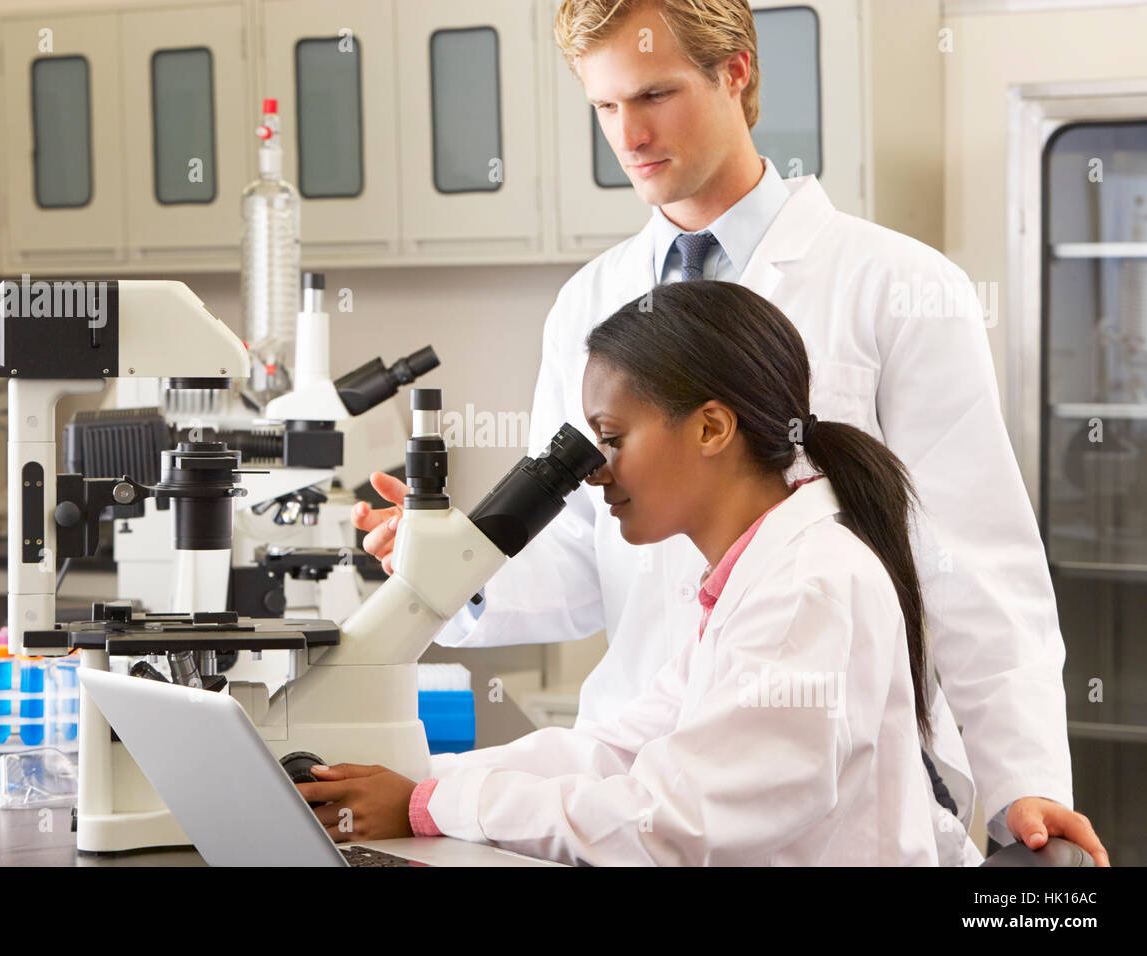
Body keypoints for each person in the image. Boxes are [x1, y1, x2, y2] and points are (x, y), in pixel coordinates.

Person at [353, 0, 1108, 865]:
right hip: (640, 763)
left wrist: (1026, 784)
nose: (629, 135)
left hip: (816, 792)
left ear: (736, 70)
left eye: (654, 95)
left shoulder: (897, 285)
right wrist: (449, 566)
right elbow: (579, 552)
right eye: (605, 108)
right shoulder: (588, 305)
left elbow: (976, 564)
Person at [298, 281, 941, 865]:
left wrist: (431, 804)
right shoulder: (753, 575)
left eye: (611, 438)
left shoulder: (805, 589)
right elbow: (616, 749)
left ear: (711, 428)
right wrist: (421, 778)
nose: (594, 471)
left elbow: (672, 823)